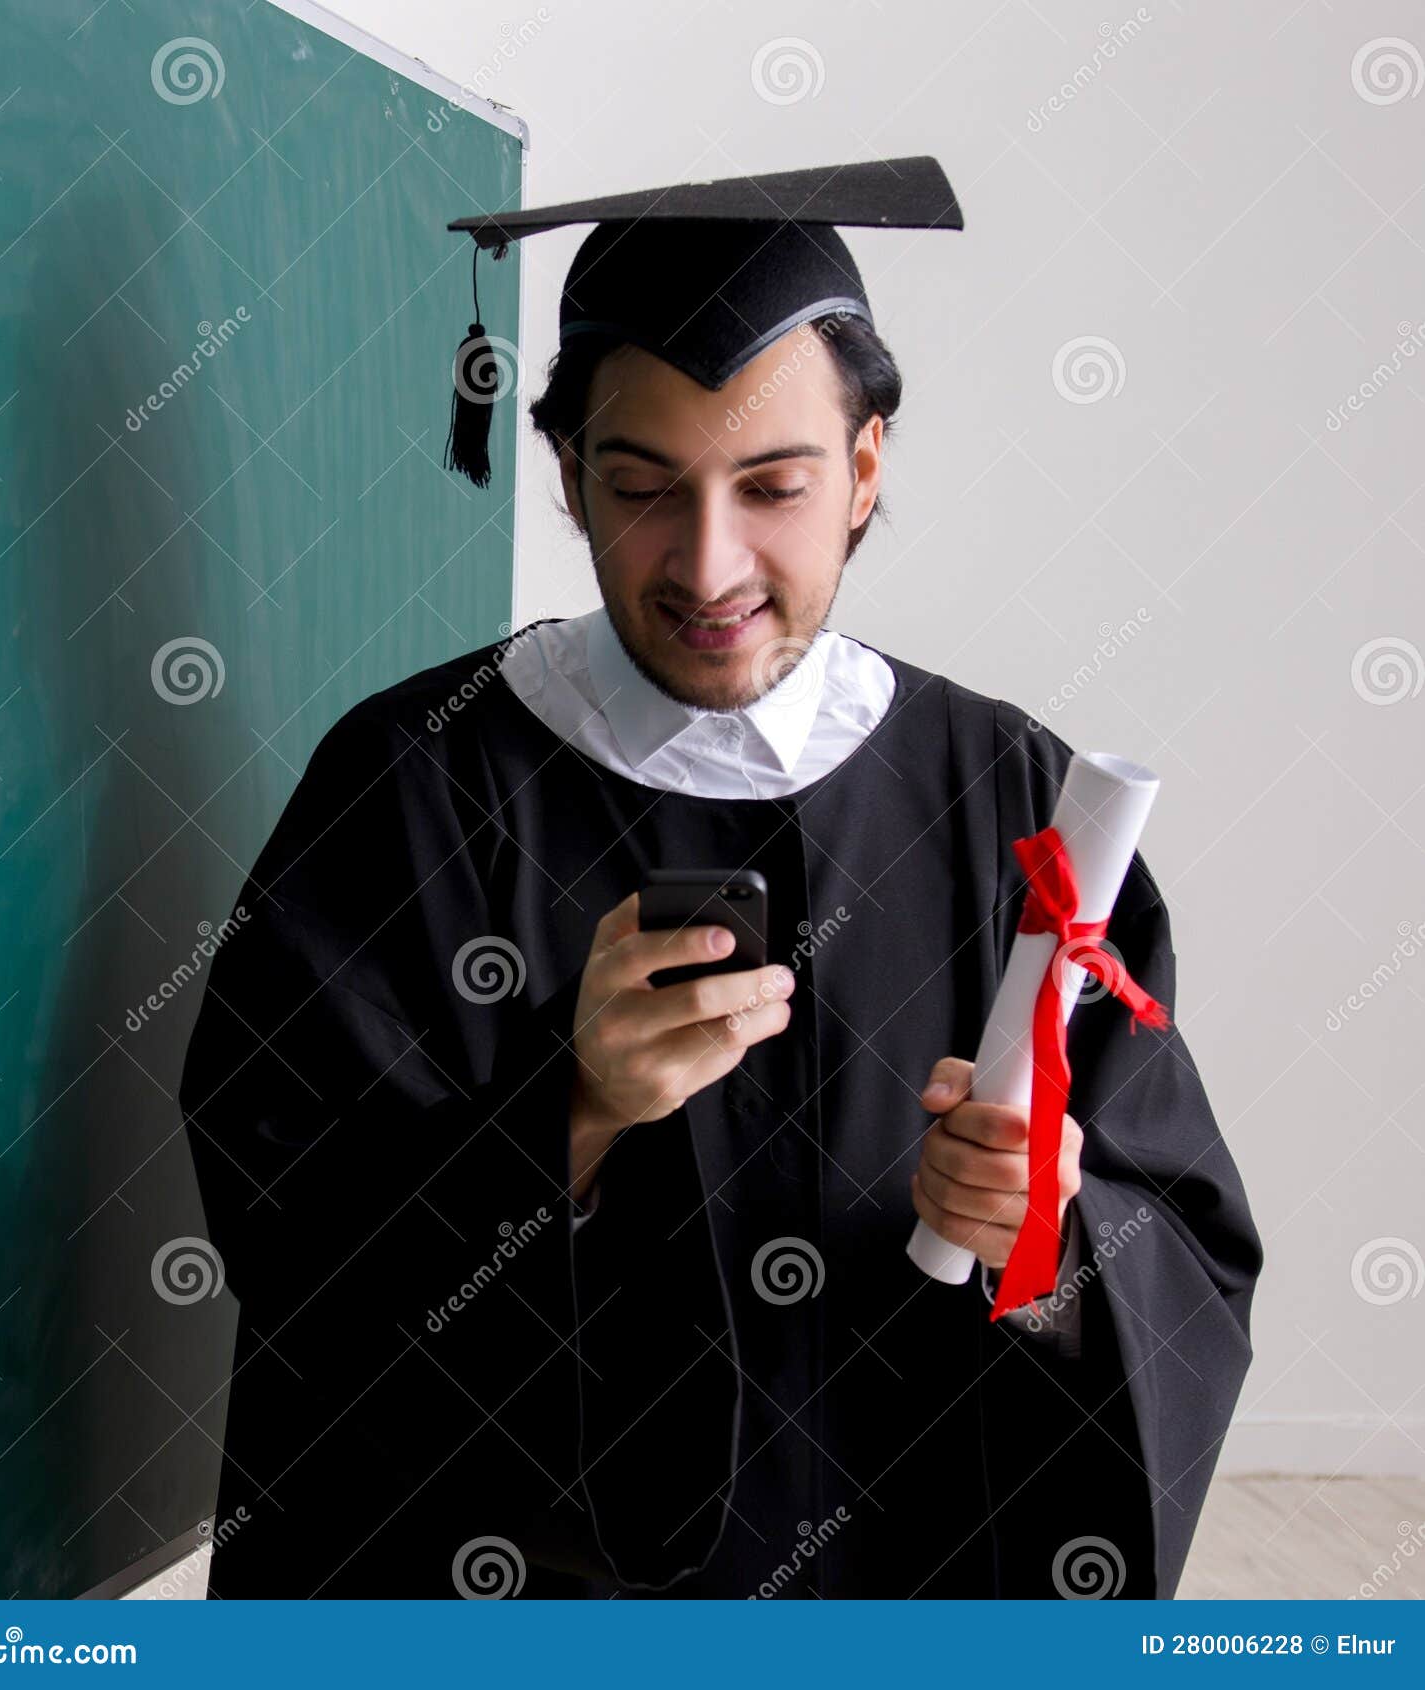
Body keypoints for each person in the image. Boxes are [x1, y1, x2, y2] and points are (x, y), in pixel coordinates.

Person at [179, 158, 1262, 1599]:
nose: (709, 563)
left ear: (867, 467)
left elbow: (1182, 1231)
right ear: (566, 475)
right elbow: (281, 1209)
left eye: (774, 487)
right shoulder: (414, 780)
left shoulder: (1008, 797)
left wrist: (1053, 1236)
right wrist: (563, 1114)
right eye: (642, 488)